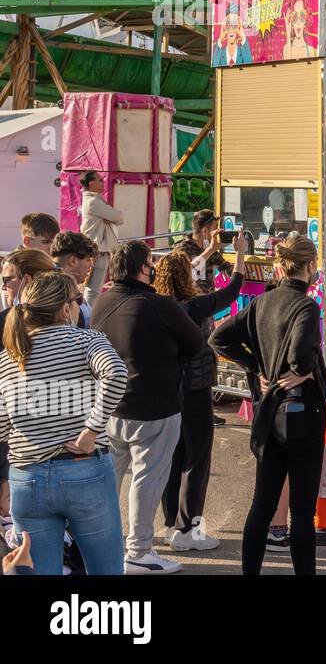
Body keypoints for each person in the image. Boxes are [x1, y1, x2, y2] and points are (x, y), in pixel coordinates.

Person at [210, 234, 326, 575]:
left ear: (280, 266)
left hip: (268, 412)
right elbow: (300, 355)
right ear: (311, 266)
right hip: (302, 414)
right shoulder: (306, 306)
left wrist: (256, 367)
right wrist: (301, 372)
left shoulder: (262, 302)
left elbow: (218, 336)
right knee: (302, 512)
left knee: (262, 505)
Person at [0, 271, 128, 575]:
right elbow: (117, 374)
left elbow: (2, 426)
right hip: (84, 467)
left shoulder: (9, 357)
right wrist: (91, 430)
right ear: (64, 308)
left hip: (26, 477)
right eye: (76, 299)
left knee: (38, 571)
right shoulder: (87, 341)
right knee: (105, 569)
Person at [91, 240, 204, 574]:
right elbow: (195, 343)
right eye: (150, 262)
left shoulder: (102, 303)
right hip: (155, 407)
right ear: (143, 268)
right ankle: (138, 550)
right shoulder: (160, 304)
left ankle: (99, 545)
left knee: (109, 479)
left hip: (110, 406)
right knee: (147, 480)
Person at [153, 242, 246, 552]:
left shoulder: (155, 306)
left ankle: (171, 525)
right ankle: (191, 527)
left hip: (167, 390)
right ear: (185, 277)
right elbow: (232, 291)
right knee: (197, 457)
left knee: (173, 456)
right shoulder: (194, 307)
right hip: (195, 390)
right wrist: (241, 254)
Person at [0, 249, 57, 527]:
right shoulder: (71, 318)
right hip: (56, 457)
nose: (2, 286)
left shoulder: (68, 323)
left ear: (26, 280)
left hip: (26, 457)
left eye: (7, 279)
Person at [78, 171, 122, 306]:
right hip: (98, 250)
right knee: (93, 287)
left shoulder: (93, 201)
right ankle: (88, 317)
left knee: (92, 286)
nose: (102, 182)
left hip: (96, 248)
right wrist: (110, 218)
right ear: (91, 183)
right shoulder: (94, 202)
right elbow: (118, 217)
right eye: (100, 180)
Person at [172, 210, 230, 293]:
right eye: (215, 228)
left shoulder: (209, 248)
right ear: (205, 231)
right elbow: (188, 270)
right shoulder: (181, 250)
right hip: (188, 303)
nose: (218, 232)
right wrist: (210, 250)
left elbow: (227, 268)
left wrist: (239, 249)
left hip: (207, 302)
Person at [50, 232, 97, 329]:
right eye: (88, 260)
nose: (91, 265)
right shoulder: (54, 291)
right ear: (73, 261)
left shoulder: (63, 284)